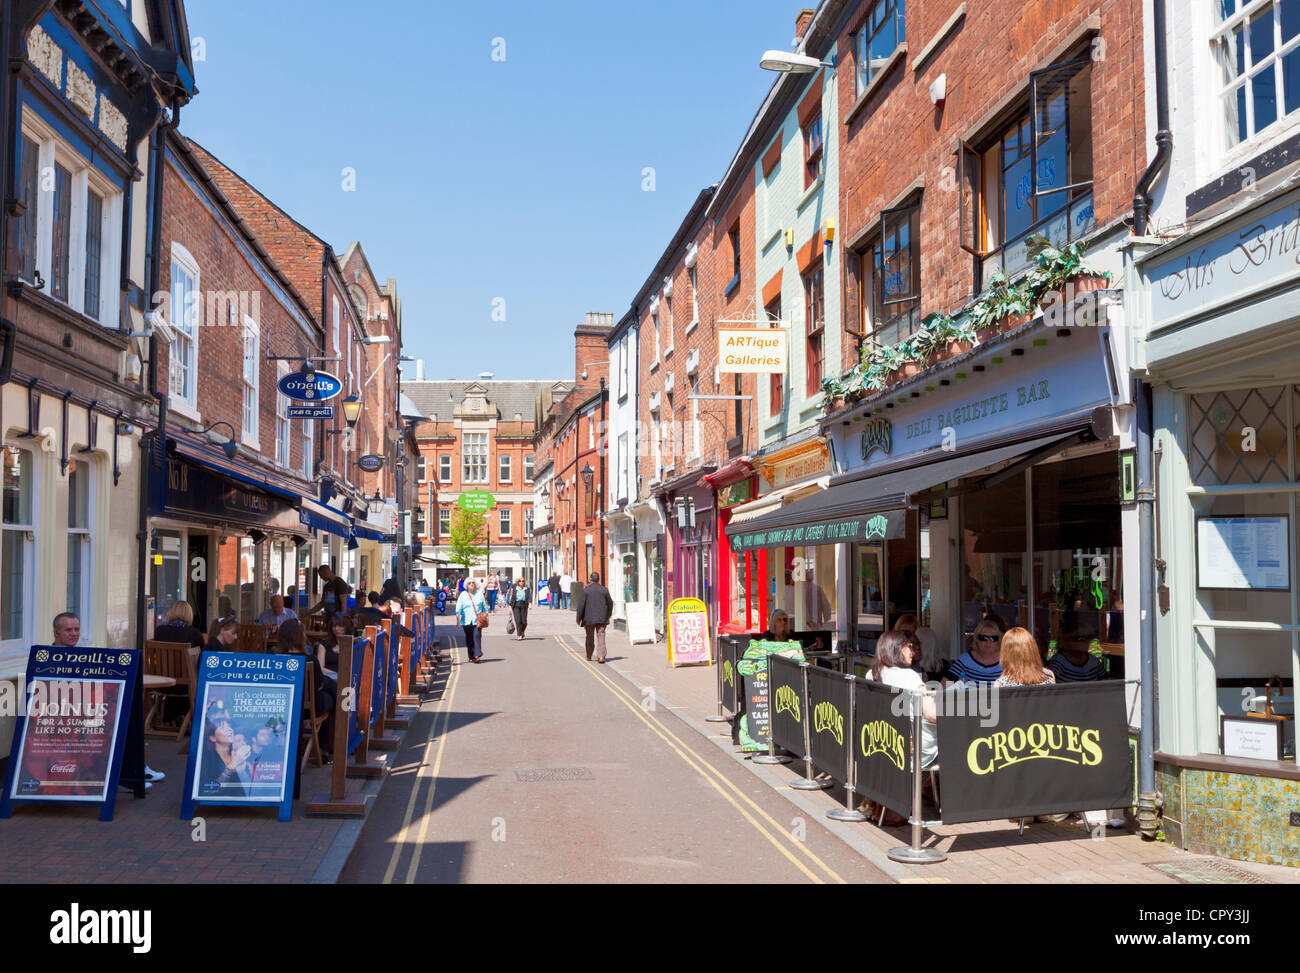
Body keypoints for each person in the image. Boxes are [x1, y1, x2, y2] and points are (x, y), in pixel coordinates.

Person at [867, 630, 938, 769]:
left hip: (888, 745)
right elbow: (931, 714)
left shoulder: (872, 674)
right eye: (910, 646)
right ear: (898, 648)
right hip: (919, 750)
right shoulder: (909, 676)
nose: (913, 651)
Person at [279, 619, 335, 760]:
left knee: (330, 689)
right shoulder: (310, 660)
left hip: (282, 707)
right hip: (308, 710)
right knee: (333, 696)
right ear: (300, 637)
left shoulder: (275, 659)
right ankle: (325, 747)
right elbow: (319, 686)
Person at [197, 703, 250, 797]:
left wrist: (242, 772)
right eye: (222, 727)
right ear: (212, 737)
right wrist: (232, 766)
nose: (229, 730)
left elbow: (248, 790)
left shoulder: (237, 754)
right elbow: (207, 790)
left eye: (229, 726)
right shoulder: (206, 758)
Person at [1047, 611, 1108, 682]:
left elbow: (1105, 681)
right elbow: (1050, 683)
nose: (1087, 642)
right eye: (1081, 639)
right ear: (1066, 640)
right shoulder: (1058, 663)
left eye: (1090, 637)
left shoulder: (1093, 661)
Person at [943, 618, 1004, 687]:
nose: (988, 642)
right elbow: (946, 682)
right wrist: (950, 692)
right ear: (976, 639)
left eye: (993, 638)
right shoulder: (966, 659)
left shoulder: (1006, 660)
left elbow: (1013, 686)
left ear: (998, 640)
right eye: (984, 638)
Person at [574, 571, 614, 663]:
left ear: (590, 579)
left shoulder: (586, 590)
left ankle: (589, 655)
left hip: (588, 618)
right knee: (601, 636)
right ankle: (601, 656)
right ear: (598, 579)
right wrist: (608, 615)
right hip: (602, 618)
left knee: (589, 637)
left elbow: (581, 605)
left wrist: (578, 619)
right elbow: (610, 603)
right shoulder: (604, 590)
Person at [456, 580, 487, 664]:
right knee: (469, 638)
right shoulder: (463, 595)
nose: (471, 584)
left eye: (473, 582)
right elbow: (458, 608)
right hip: (466, 621)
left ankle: (477, 655)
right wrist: (458, 621)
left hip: (477, 621)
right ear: (466, 585)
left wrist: (485, 615)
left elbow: (484, 606)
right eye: (469, 583)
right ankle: (471, 656)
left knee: (477, 636)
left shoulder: (479, 594)